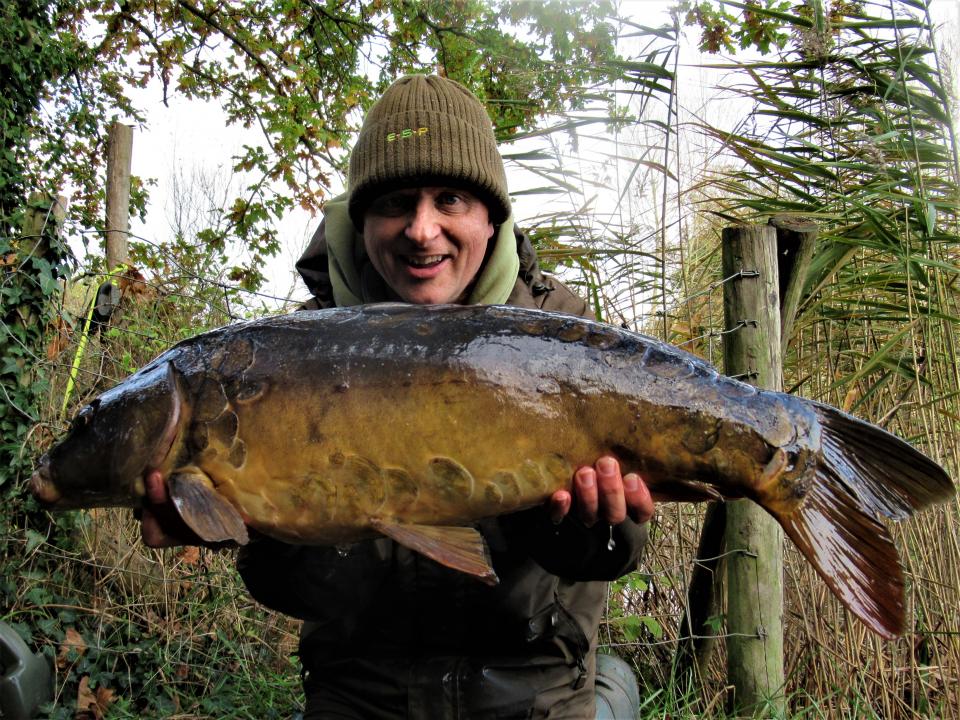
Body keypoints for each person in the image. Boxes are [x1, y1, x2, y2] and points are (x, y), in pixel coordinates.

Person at [140, 74, 655, 719]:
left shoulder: (565, 334)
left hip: (535, 688)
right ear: (362, 222)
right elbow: (290, 592)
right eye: (396, 203)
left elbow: (617, 554)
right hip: (360, 690)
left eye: (449, 200)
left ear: (490, 218)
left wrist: (584, 527)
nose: (421, 229)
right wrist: (244, 525)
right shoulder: (288, 360)